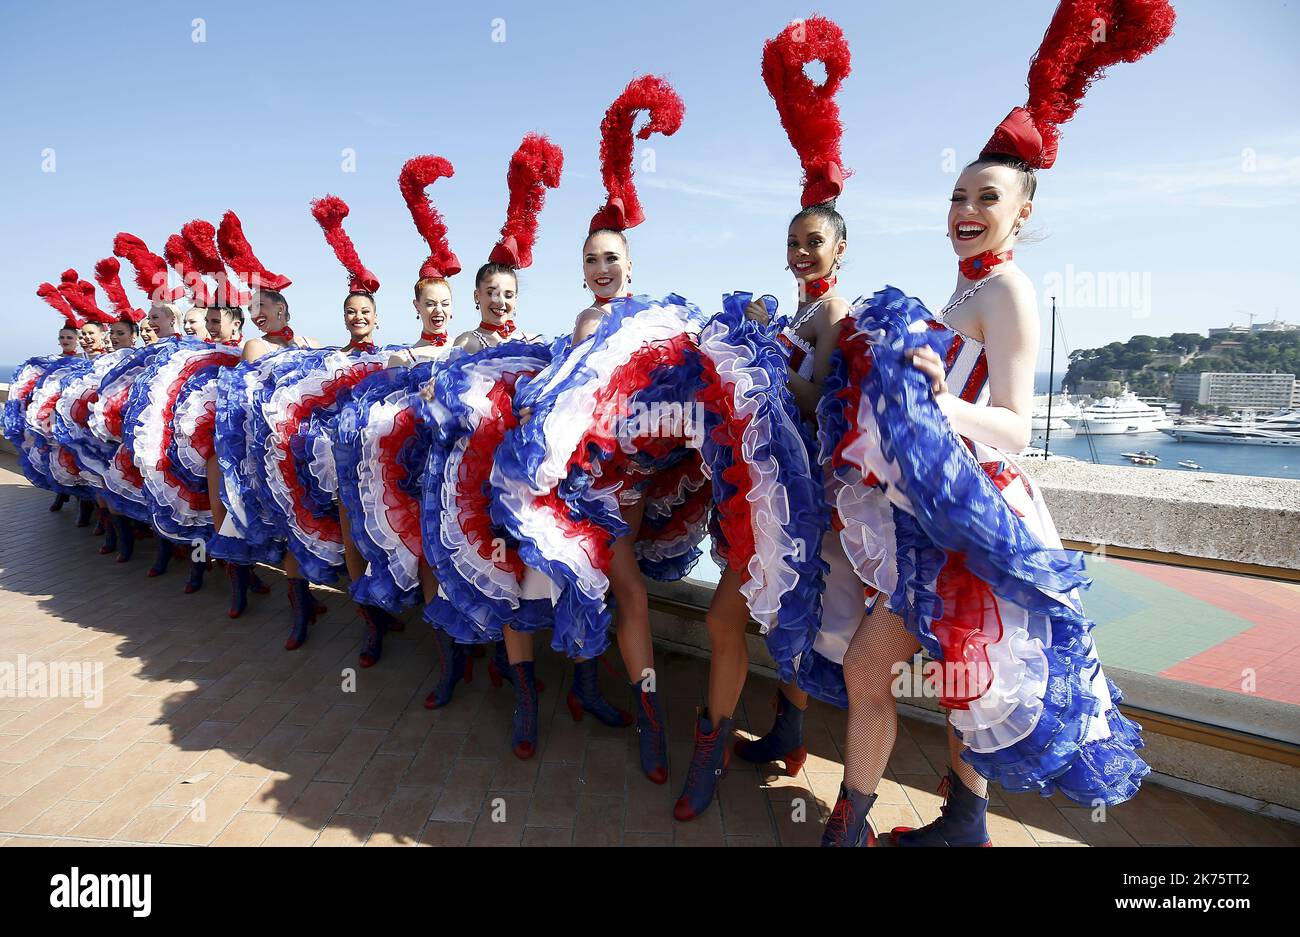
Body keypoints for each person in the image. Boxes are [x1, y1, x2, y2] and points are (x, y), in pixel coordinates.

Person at [820, 0, 1174, 847]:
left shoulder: (1009, 289)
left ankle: (886, 828)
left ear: (1023, 212)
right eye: (957, 195)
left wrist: (936, 401)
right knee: (939, 671)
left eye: (987, 197)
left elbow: (1015, 426)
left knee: (911, 669)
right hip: (938, 510)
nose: (966, 209)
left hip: (980, 514)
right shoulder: (963, 292)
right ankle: (947, 824)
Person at [674, 14, 857, 821]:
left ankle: (710, 750)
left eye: (814, 242)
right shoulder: (791, 310)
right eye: (793, 241)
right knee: (785, 619)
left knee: (727, 619)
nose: (801, 253)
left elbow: (823, 403)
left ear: (840, 249)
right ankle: (786, 731)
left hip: (804, 499)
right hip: (765, 495)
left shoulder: (839, 315)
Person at [494, 76, 690, 784]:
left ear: (630, 265)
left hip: (629, 487)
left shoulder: (656, 323)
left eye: (611, 257)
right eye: (590, 260)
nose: (602, 268)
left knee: (627, 588)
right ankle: (554, 693)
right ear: (580, 274)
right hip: (574, 485)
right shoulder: (581, 325)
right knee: (537, 578)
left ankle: (648, 716)